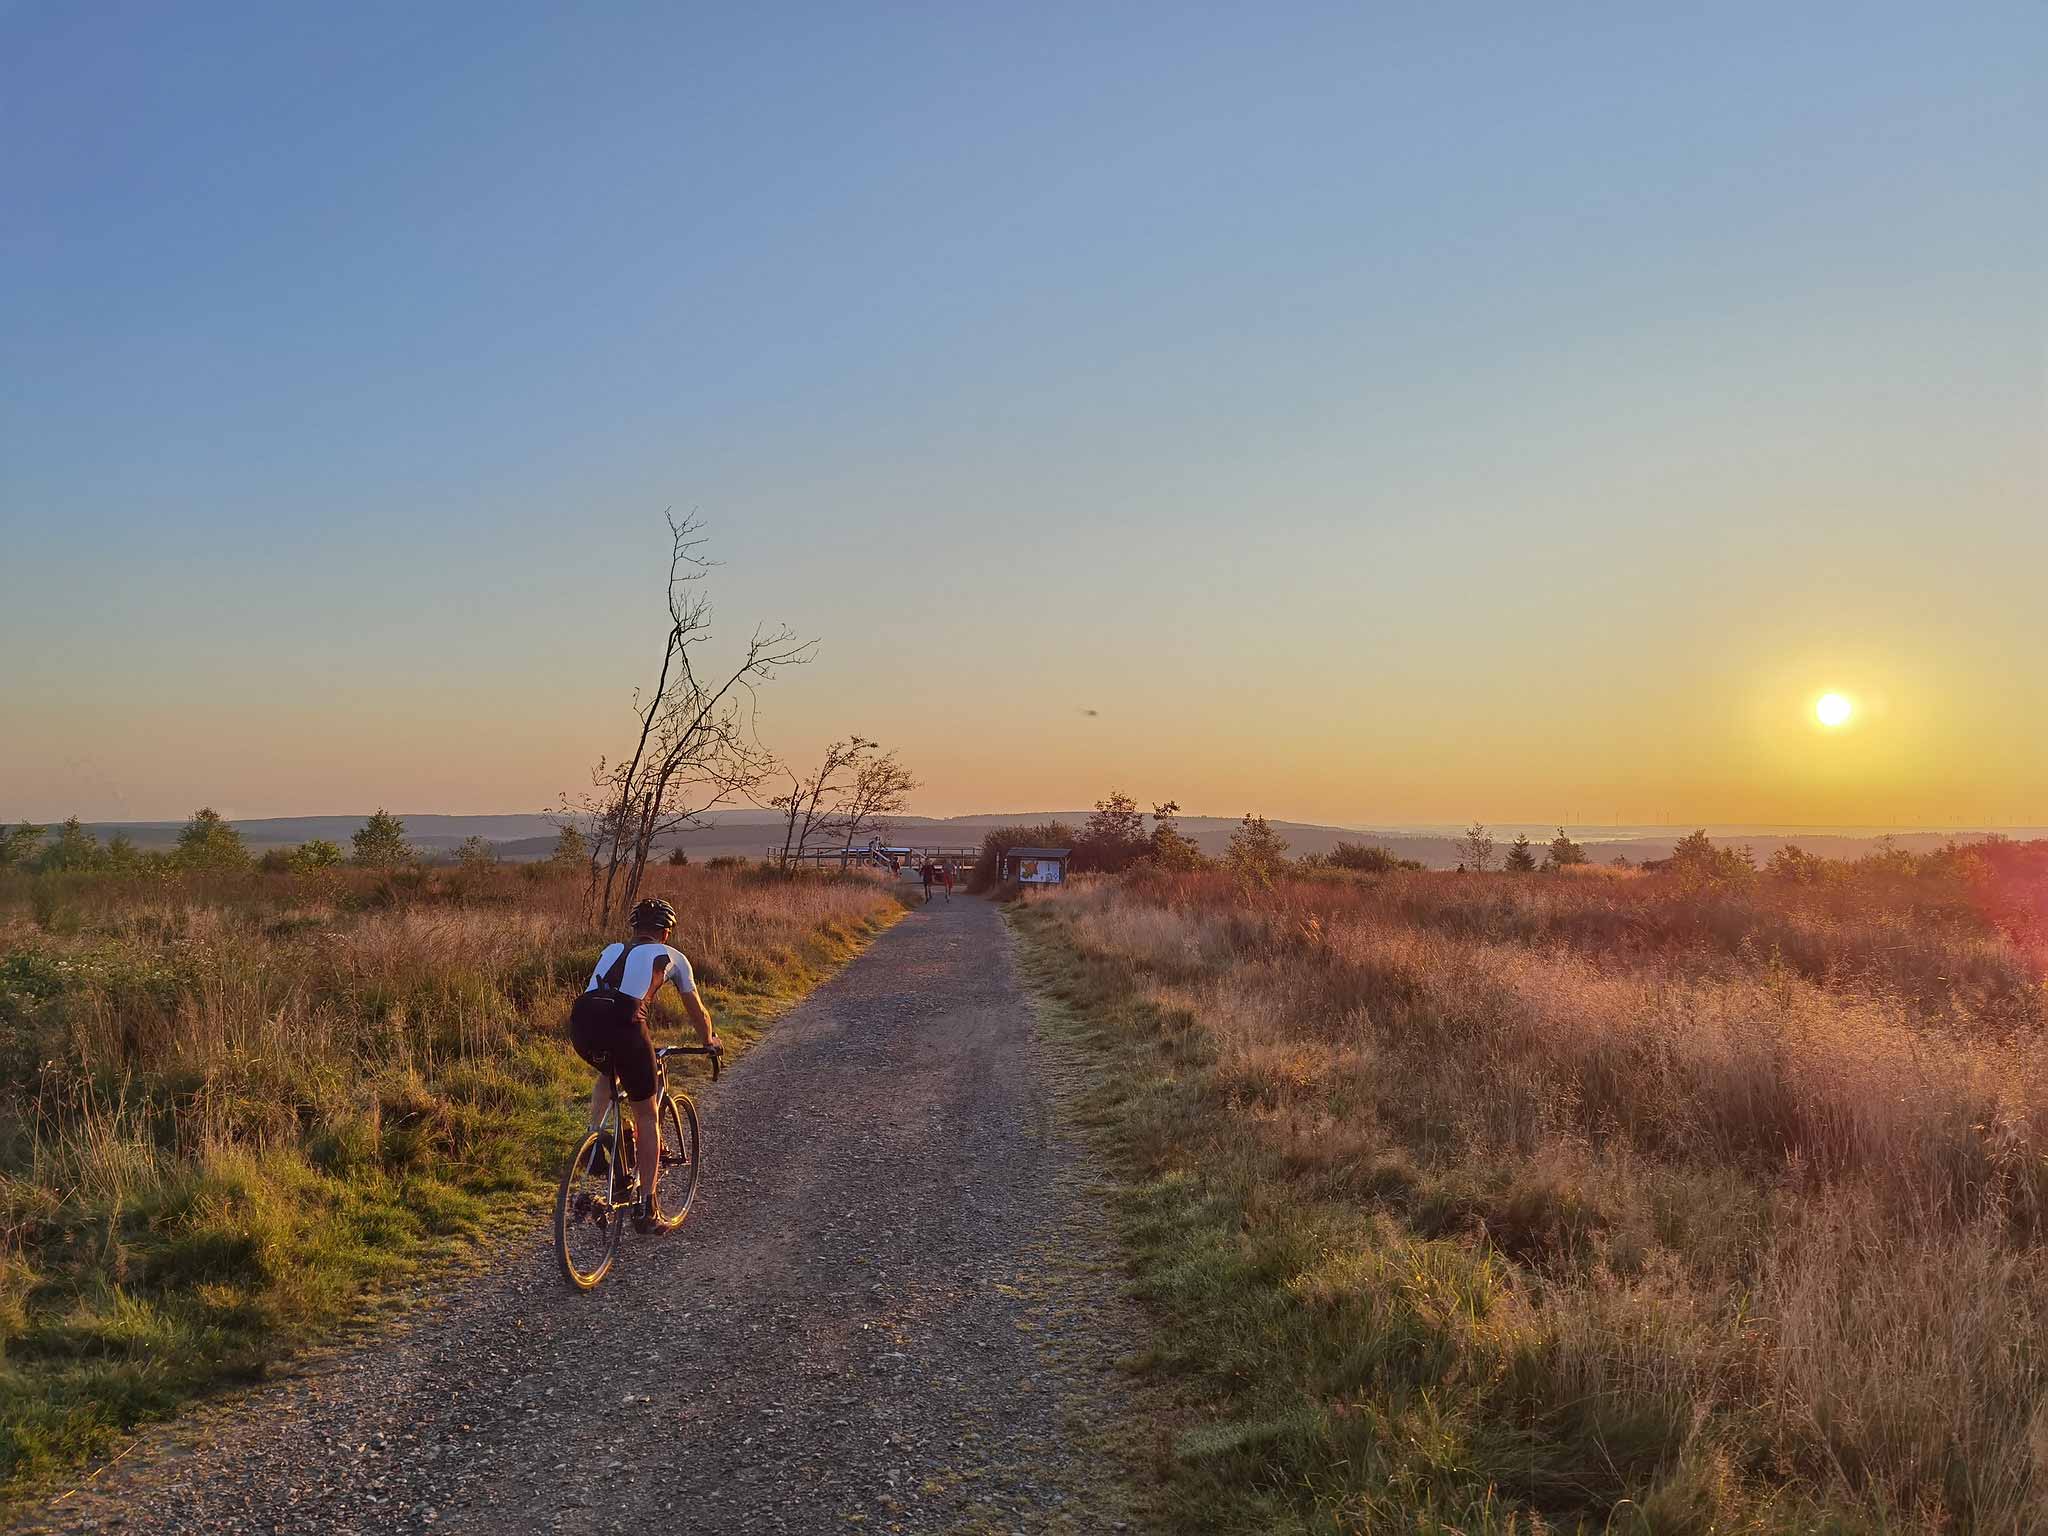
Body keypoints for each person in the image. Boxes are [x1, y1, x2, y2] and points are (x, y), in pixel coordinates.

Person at [570, 896, 719, 1224]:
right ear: (666, 933)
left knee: (609, 1073)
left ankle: (598, 1139)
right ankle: (647, 1206)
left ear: (634, 928)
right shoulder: (672, 956)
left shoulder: (610, 949)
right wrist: (708, 1040)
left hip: (582, 1021)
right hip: (625, 1025)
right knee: (647, 1116)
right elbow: (696, 1010)